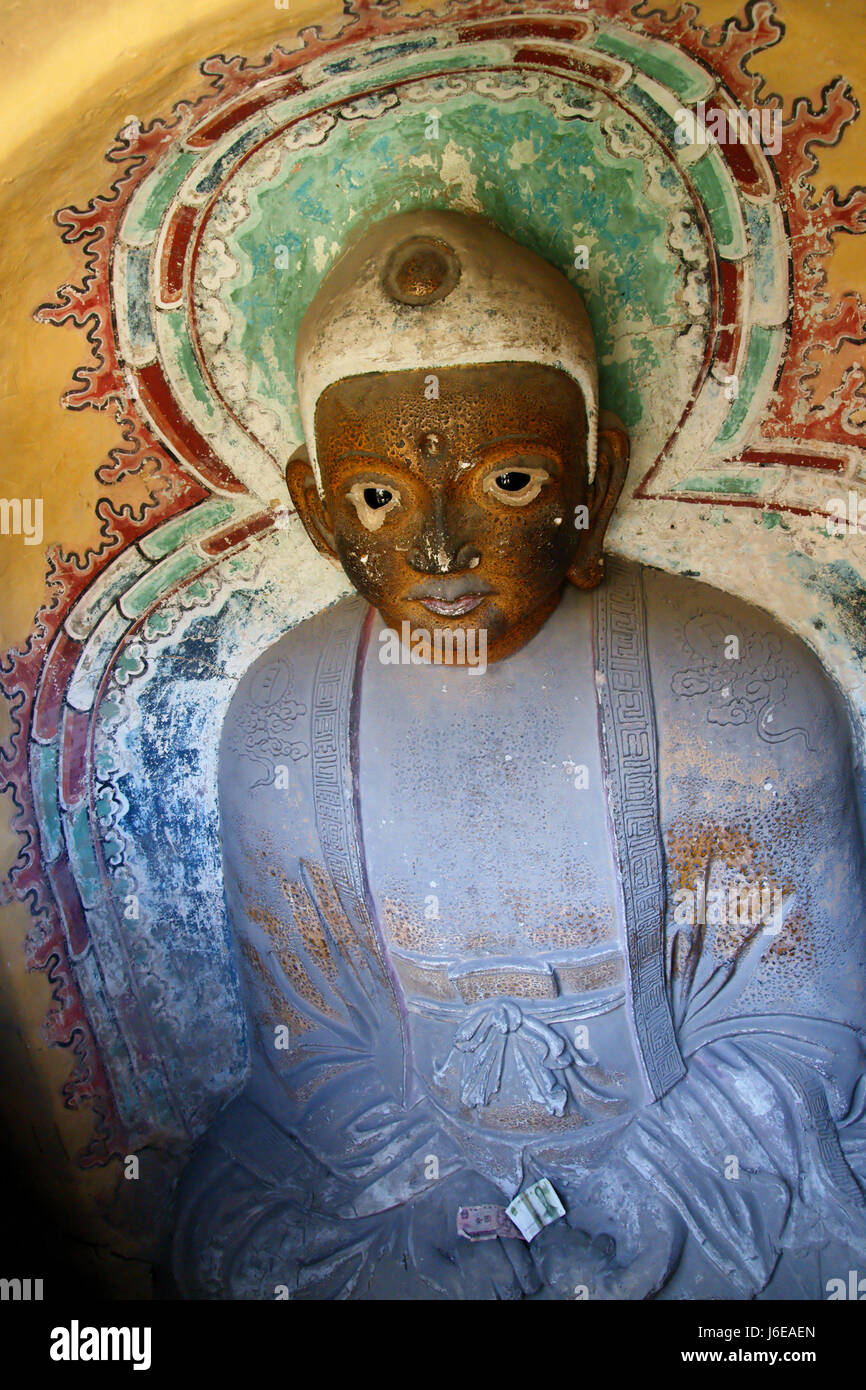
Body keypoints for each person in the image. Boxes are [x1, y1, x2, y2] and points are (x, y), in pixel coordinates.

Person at [172, 210, 866, 1299]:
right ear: (313, 510)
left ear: (595, 487)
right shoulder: (284, 714)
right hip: (404, 1176)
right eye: (377, 498)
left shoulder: (732, 680)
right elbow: (304, 1048)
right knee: (226, 1244)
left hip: (684, 1157)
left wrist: (647, 1198)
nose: (440, 550)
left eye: (509, 484)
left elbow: (798, 1032)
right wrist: (443, 1218)